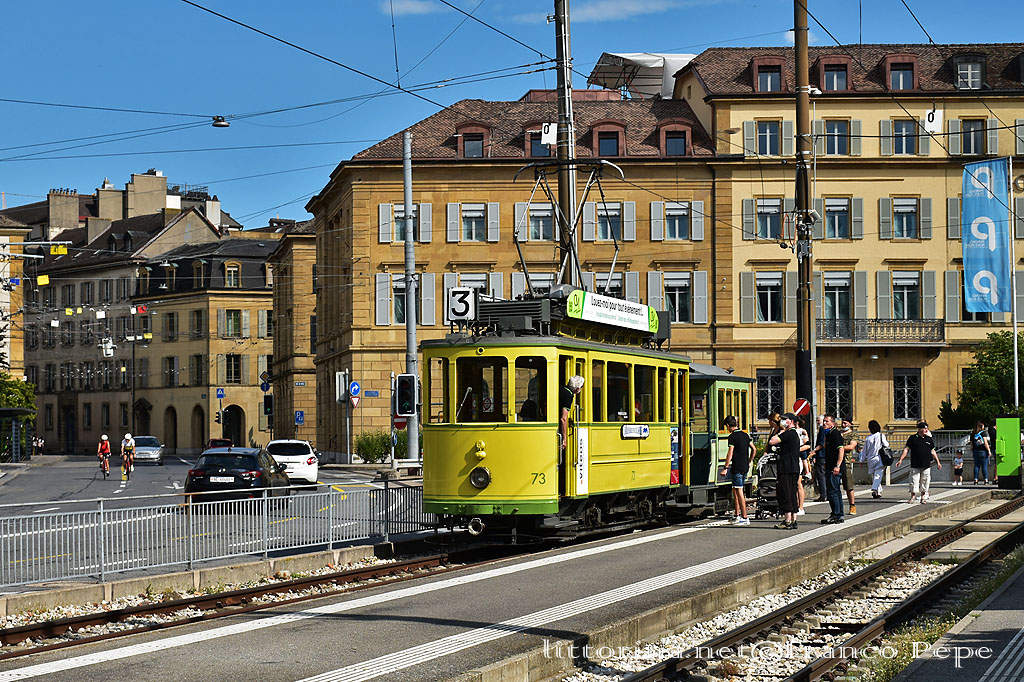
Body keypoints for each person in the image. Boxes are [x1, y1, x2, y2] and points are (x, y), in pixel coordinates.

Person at [768, 413, 808, 530]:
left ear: (790, 421)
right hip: (794, 467)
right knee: (792, 493)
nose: (782, 421)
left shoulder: (789, 433)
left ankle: (787, 520)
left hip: (786, 468)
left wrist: (779, 432)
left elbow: (772, 441)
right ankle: (794, 519)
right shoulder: (795, 434)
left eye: (784, 419)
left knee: (785, 493)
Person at [721, 415, 756, 526]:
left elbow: (730, 452)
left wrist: (725, 467)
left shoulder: (732, 437)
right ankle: (737, 515)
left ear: (728, 425)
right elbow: (754, 449)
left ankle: (744, 517)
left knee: (739, 491)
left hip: (737, 467)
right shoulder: (745, 435)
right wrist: (750, 460)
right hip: (745, 466)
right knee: (736, 490)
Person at [896, 421, 943, 503]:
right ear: (920, 429)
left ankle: (923, 497)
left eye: (926, 429)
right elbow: (906, 449)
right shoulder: (913, 438)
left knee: (925, 480)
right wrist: (901, 459)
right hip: (915, 463)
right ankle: (913, 496)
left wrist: (938, 462)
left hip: (926, 464)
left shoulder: (929, 439)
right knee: (914, 480)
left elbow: (933, 451)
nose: (926, 430)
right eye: (924, 429)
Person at [819, 414, 847, 524]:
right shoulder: (829, 434)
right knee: (835, 491)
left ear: (833, 423)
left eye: (827, 421)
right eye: (824, 421)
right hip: (830, 465)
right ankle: (838, 514)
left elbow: (841, 450)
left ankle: (836, 515)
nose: (824, 423)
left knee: (832, 492)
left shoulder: (835, 434)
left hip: (835, 468)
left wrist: (837, 466)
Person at [859, 420, 889, 498]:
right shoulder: (881, 435)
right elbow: (886, 444)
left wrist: (861, 460)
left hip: (870, 459)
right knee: (878, 475)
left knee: (874, 475)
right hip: (879, 458)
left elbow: (864, 451)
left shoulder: (868, 438)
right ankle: (874, 489)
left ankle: (878, 492)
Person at [559, 376, 585, 451]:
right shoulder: (569, 396)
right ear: (577, 389)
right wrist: (565, 438)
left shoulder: (561, 388)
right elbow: (563, 418)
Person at [840, 418, 859, 514]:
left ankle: (852, 505)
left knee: (848, 486)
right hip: (835, 461)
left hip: (846, 461)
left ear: (850, 424)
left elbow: (852, 446)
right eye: (842, 423)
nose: (843, 425)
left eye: (845, 423)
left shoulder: (853, 434)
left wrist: (840, 448)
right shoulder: (838, 433)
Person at [809, 415, 828, 502]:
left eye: (819, 420)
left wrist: (814, 451)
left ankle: (823, 495)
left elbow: (821, 444)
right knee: (822, 475)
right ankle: (824, 494)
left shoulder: (822, 430)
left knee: (821, 476)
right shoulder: (822, 429)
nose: (818, 422)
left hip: (821, 455)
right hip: (821, 455)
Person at [795, 416, 811, 515]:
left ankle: (800, 507)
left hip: (799, 455)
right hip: (794, 456)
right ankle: (796, 506)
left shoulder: (802, 431)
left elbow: (807, 442)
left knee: (798, 483)